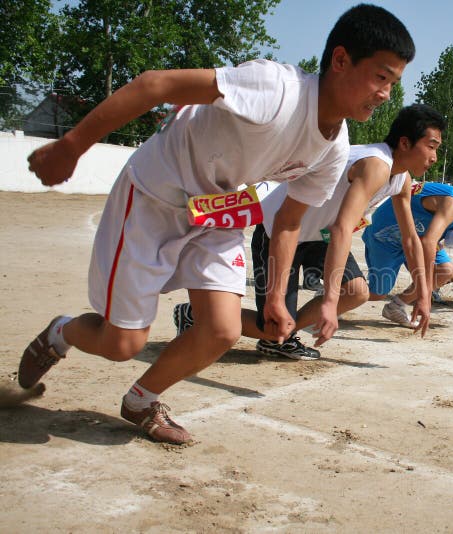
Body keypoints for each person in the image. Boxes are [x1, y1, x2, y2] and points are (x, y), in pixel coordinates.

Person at [18, 4, 415, 444]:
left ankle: (142, 399)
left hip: (217, 214)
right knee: (122, 345)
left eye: (393, 83)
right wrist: (72, 146)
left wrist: (274, 300)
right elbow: (158, 84)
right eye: (381, 76)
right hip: (154, 196)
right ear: (341, 60)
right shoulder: (277, 88)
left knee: (223, 329)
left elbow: (286, 223)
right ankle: (61, 332)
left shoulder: (334, 149)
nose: (385, 93)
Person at [173, 104, 445, 359]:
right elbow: (342, 228)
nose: (434, 157)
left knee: (357, 291)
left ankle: (283, 335)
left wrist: (423, 295)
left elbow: (410, 239)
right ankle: (195, 315)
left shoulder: (402, 178)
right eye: (430, 146)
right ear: (405, 142)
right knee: (272, 326)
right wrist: (328, 301)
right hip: (280, 231)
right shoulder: (375, 165)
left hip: (318, 237)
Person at [363, 166, 453, 325]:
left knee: (445, 270)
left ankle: (396, 307)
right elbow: (429, 242)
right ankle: (338, 296)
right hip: (386, 234)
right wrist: (423, 296)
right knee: (377, 293)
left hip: (415, 238)